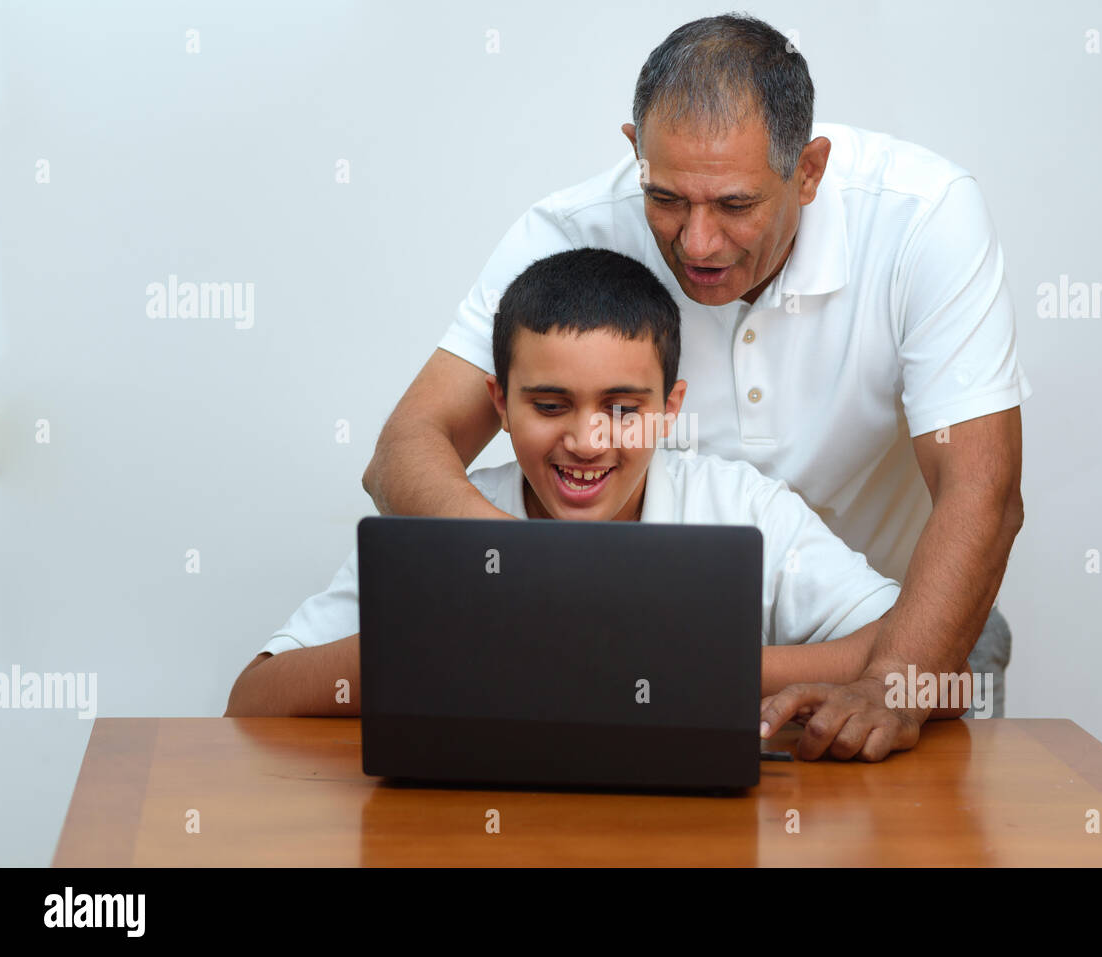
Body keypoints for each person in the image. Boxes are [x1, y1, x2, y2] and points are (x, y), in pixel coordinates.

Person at [360, 14, 1030, 758]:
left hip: (900, 634)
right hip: (625, 648)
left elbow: (984, 490)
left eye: (736, 206)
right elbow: (403, 449)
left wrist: (891, 678)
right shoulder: (569, 229)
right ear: (634, 151)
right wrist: (525, 579)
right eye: (667, 199)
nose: (697, 242)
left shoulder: (924, 217)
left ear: (808, 171)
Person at [225, 249, 973, 759]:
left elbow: (941, 672)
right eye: (550, 403)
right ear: (501, 402)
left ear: (671, 406)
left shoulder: (740, 507)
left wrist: (678, 669)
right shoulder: (447, 520)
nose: (587, 441)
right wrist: (453, 650)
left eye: (623, 409)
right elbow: (253, 698)